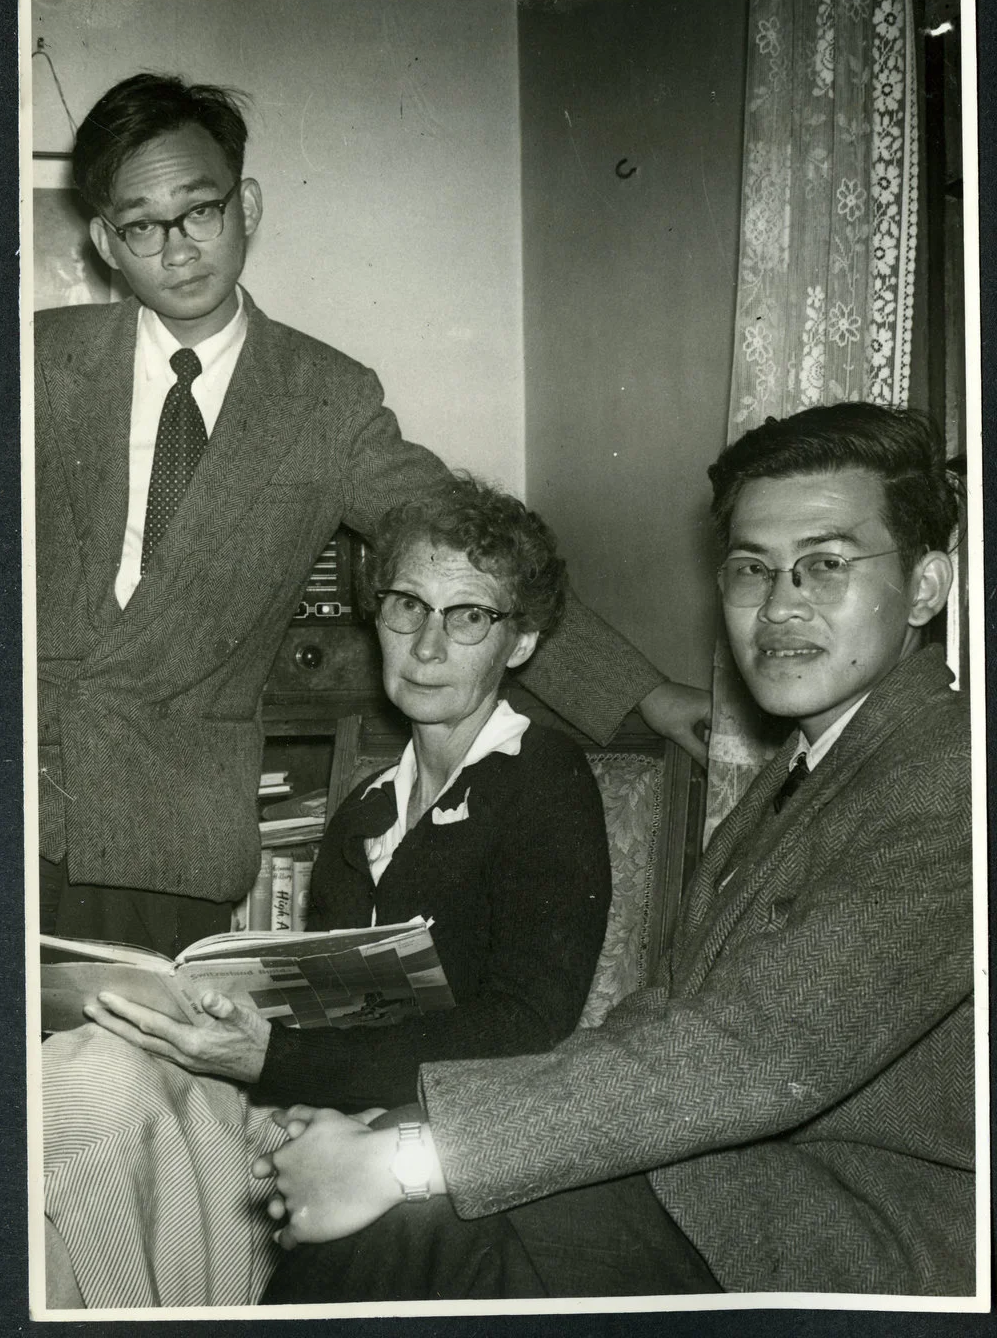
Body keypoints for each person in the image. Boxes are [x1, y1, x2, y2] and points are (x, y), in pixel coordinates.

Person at [257, 404, 975, 1300]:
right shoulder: (807, 766)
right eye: (752, 567)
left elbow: (755, 1050)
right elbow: (665, 1014)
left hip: (867, 1237)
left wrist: (411, 1153)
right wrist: (415, 1126)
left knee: (420, 1222)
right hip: (739, 1184)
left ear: (926, 587)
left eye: (826, 565)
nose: (781, 603)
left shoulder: (953, 782)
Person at [35, 72, 708, 958]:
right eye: (143, 226)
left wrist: (646, 695)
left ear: (248, 205)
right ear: (105, 242)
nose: (179, 247)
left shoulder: (326, 399)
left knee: (125, 1091)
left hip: (162, 828)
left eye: (199, 211)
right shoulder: (38, 358)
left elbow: (482, 556)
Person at [42, 478, 613, 1308]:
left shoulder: (544, 780)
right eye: (406, 606)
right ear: (375, 612)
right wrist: (224, 1018)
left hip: (421, 1127)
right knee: (87, 1070)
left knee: (99, 1116)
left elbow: (528, 1023)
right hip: (312, 1095)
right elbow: (319, 1006)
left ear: (518, 643)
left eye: (468, 617)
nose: (425, 646)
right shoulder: (366, 808)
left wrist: (278, 1060)